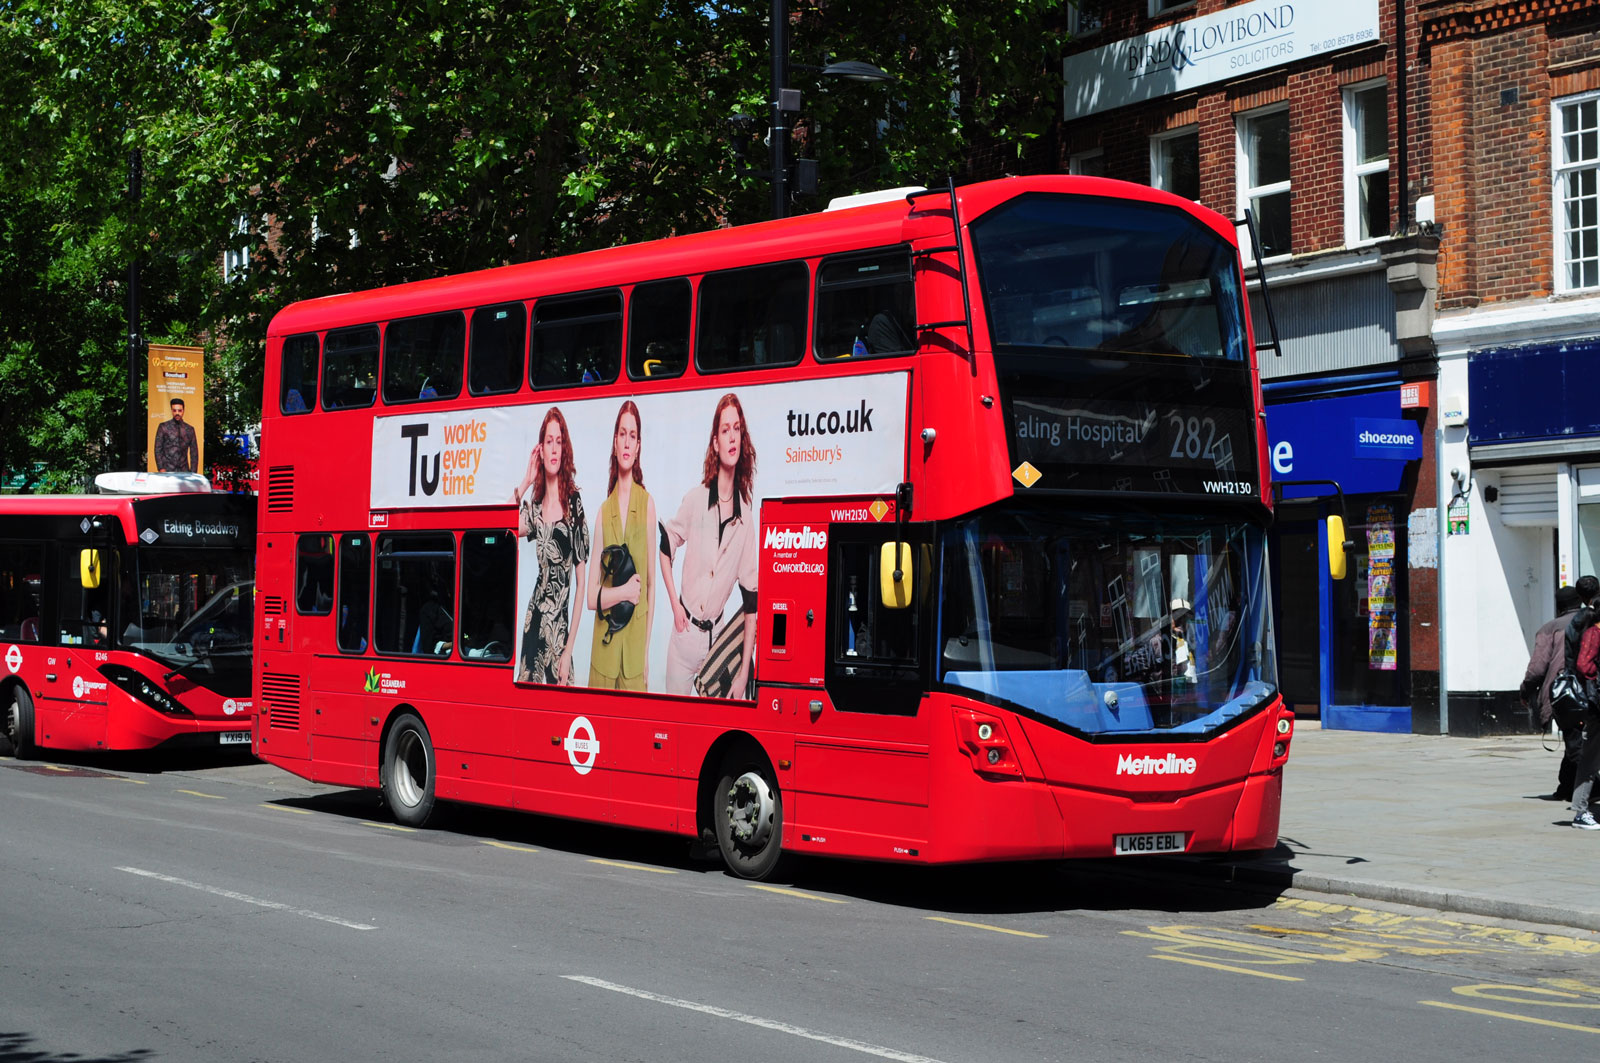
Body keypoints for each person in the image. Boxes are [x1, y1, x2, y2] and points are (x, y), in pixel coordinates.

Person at [658, 393, 759, 697]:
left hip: (717, 644)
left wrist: (742, 677)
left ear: (742, 440)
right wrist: (675, 605)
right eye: (725, 429)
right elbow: (666, 544)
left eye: (737, 429)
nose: (732, 436)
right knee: (672, 728)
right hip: (684, 636)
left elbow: (752, 604)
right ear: (715, 442)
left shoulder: (746, 520)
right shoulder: (696, 499)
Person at [516, 407, 590, 685]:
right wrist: (526, 480)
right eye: (549, 441)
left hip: (560, 634)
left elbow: (581, 584)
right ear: (541, 449)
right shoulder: (534, 508)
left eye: (559, 441)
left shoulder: (574, 503)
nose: (555, 448)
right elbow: (504, 526)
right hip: (533, 625)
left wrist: (568, 650)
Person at [586, 401, 655, 690]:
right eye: (622, 434)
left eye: (633, 435)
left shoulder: (647, 503)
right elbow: (591, 597)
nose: (627, 442)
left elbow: (650, 587)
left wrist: (646, 655)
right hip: (604, 654)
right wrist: (625, 592)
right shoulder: (603, 511)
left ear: (638, 446)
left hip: (635, 658)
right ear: (615, 443)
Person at [1521, 584, 1584, 801]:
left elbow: (1537, 668)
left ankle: (1587, 788)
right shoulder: (1593, 622)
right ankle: (1566, 787)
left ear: (1558, 606)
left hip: (1567, 694)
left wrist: (1526, 691)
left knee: (1574, 739)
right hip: (1591, 689)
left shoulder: (1550, 628)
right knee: (1576, 739)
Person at [1567, 575, 1600, 829]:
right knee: (1590, 756)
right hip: (1595, 704)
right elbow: (1583, 666)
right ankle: (1580, 812)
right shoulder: (1593, 632)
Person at [153, 397, 199, 473]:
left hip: (184, 471)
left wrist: (193, 473)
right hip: (167, 470)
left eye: (180, 410)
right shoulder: (163, 427)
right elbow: (158, 449)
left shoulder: (190, 429)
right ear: (171, 411)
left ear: (183, 411)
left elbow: (194, 452)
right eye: (174, 410)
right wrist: (161, 468)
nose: (177, 413)